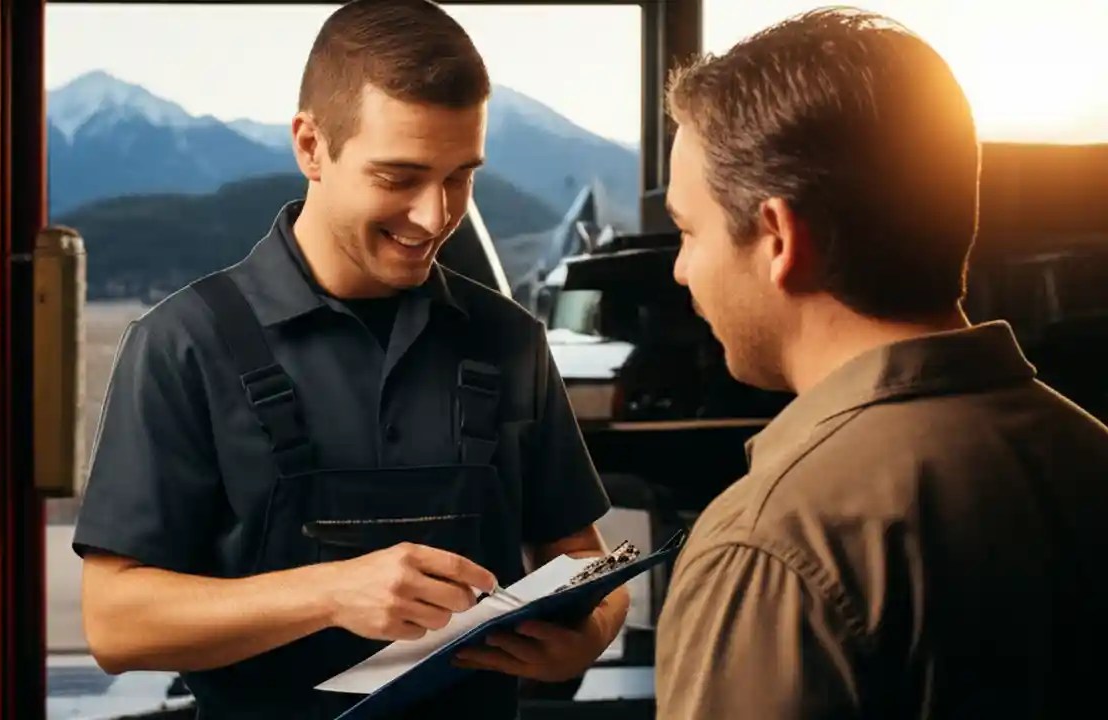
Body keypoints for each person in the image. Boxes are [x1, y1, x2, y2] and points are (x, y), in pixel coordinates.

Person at [71, 1, 627, 718]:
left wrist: (591, 633)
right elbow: (114, 623)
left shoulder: (509, 340)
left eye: (461, 176)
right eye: (399, 178)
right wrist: (331, 594)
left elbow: (591, 563)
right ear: (310, 146)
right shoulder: (182, 345)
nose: (435, 216)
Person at [654, 8, 1108, 719]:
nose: (681, 271)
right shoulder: (1088, 453)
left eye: (687, 231)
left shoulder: (771, 544)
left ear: (777, 236)